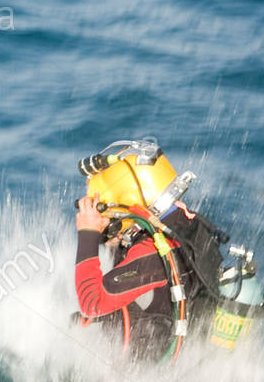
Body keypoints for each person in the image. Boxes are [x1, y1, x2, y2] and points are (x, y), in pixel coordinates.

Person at [72, 139, 228, 362]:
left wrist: (88, 234)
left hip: (146, 373)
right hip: (188, 350)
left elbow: (92, 302)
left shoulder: (154, 250)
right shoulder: (185, 224)